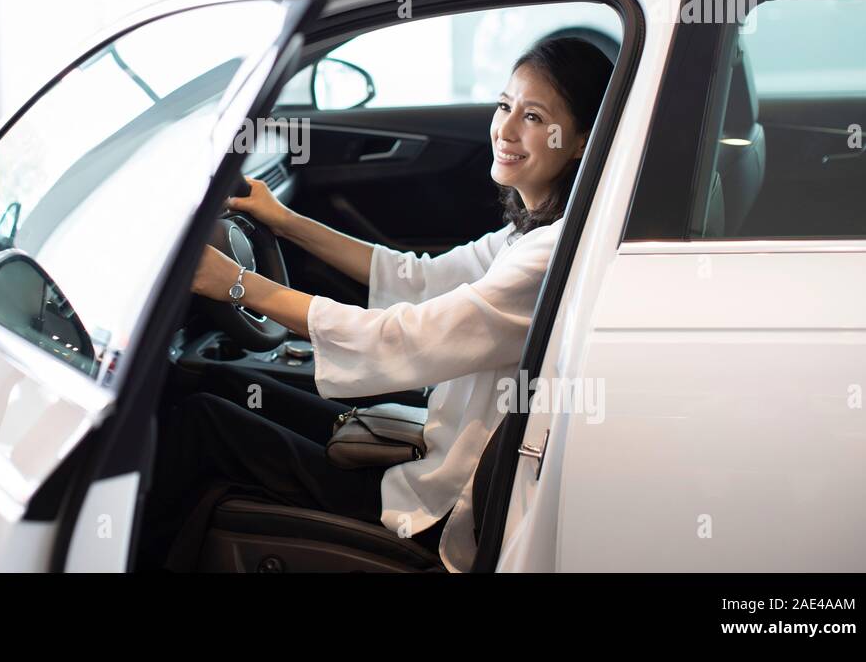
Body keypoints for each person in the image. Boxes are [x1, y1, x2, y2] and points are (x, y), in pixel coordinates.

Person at [144, 36, 613, 572]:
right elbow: (419, 278)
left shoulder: (549, 254)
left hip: (436, 507)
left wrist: (239, 285)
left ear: (580, 141)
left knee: (203, 423)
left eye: (533, 117)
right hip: (431, 455)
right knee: (221, 385)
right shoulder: (531, 232)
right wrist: (285, 221)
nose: (504, 130)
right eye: (505, 105)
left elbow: (405, 337)